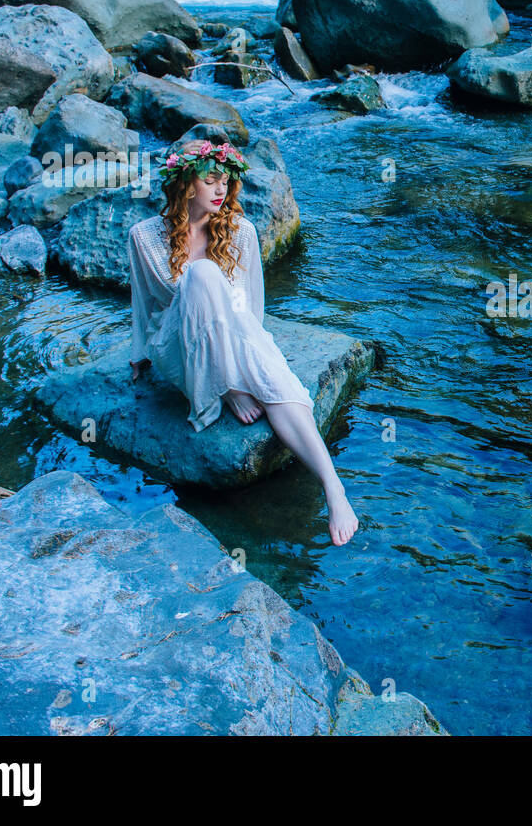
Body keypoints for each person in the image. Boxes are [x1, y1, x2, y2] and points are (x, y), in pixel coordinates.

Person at [127, 139, 359, 546]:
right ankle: (228, 388)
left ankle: (332, 486)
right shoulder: (144, 236)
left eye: (226, 183)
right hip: (180, 345)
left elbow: (251, 309)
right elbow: (145, 304)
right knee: (202, 276)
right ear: (184, 184)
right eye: (211, 181)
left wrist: (255, 355)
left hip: (234, 332)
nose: (221, 191)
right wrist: (138, 355)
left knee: (272, 379)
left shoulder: (241, 232)